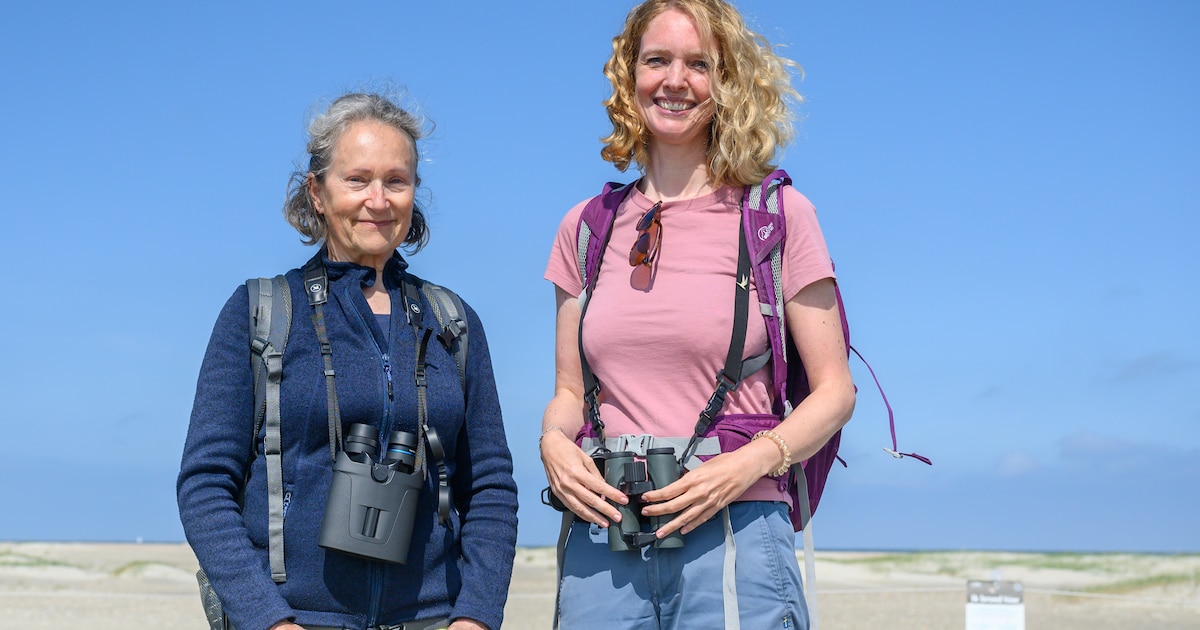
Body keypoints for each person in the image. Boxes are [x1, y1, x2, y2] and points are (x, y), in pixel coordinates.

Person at [540, 1, 855, 628]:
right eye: (657, 60)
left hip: (737, 525)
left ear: (729, 80)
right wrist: (552, 442)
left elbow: (835, 392)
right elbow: (571, 391)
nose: (675, 80)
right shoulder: (586, 228)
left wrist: (741, 468)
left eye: (699, 64)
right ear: (630, 77)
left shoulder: (780, 216)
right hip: (606, 533)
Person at [178, 92, 518, 630]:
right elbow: (204, 485)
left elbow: (492, 486)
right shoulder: (262, 312)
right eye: (357, 179)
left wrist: (475, 615)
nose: (378, 200)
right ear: (316, 191)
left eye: (396, 181)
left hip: (431, 617)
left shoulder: (451, 321)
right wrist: (267, 619)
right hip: (295, 619)